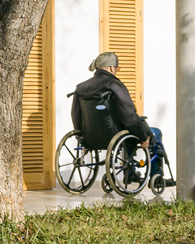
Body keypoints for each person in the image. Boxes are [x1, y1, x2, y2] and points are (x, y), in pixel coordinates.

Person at [69, 52, 162, 182]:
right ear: (112, 68)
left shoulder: (81, 87)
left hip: (91, 137)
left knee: (129, 132)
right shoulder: (114, 84)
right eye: (118, 68)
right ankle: (156, 177)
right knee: (154, 133)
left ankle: (130, 173)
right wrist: (143, 137)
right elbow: (128, 114)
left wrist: (82, 138)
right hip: (116, 135)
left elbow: (76, 114)